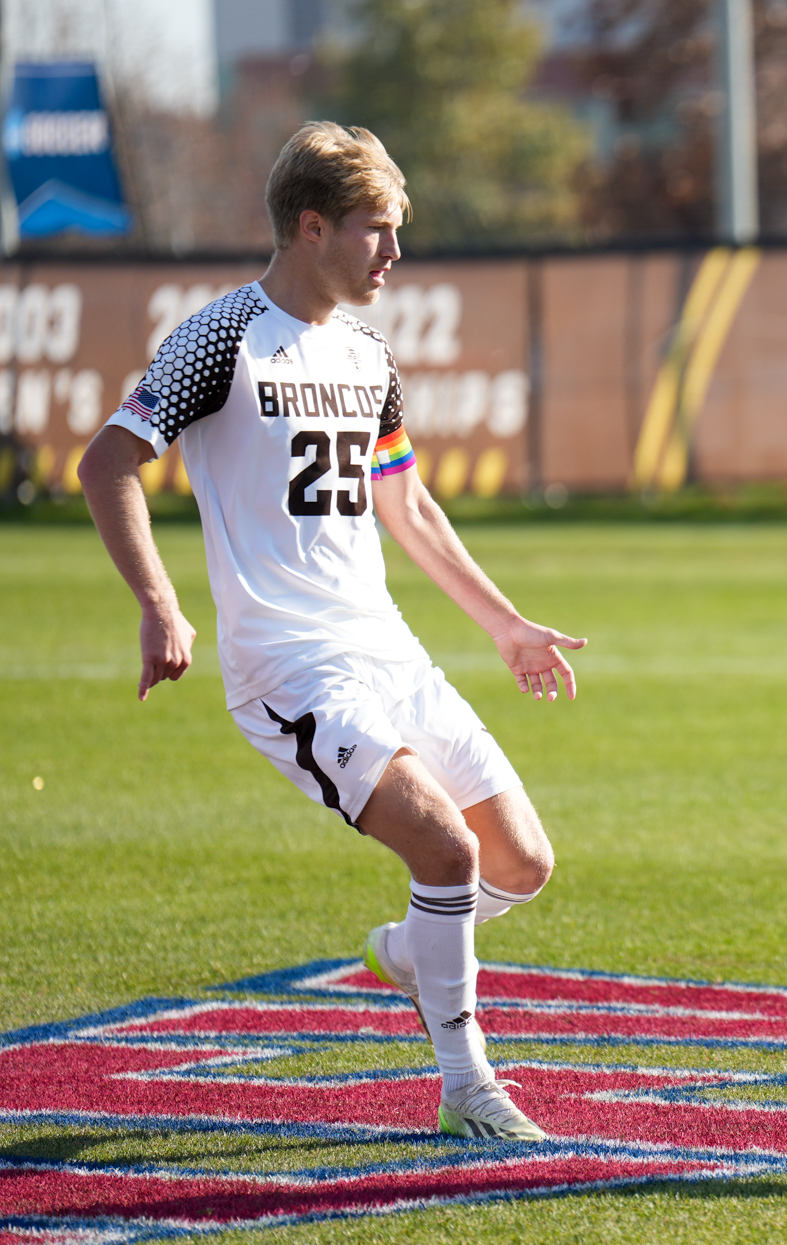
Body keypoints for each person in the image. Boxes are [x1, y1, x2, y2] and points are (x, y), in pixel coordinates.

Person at [78, 122, 584, 1142]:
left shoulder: (366, 352)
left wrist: (506, 627)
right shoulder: (222, 336)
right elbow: (106, 462)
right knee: (444, 848)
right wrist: (161, 604)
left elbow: (409, 509)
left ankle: (409, 950)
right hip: (291, 669)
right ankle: (466, 1085)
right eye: (376, 231)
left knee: (520, 865)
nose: (391, 254)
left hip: (386, 651)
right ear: (312, 228)